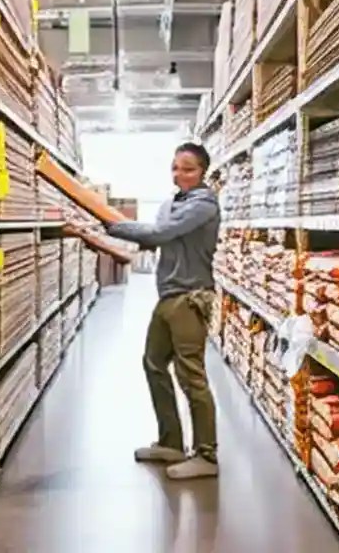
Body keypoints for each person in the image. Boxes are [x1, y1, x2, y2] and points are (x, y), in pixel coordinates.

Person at [104, 142, 221, 480]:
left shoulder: (203, 204)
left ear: (202, 172)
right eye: (175, 167)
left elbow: (162, 233)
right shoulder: (173, 203)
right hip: (168, 295)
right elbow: (157, 239)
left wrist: (112, 224)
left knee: (191, 376)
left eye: (188, 169)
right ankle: (171, 442)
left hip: (190, 297)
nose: (180, 174)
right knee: (153, 363)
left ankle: (207, 456)